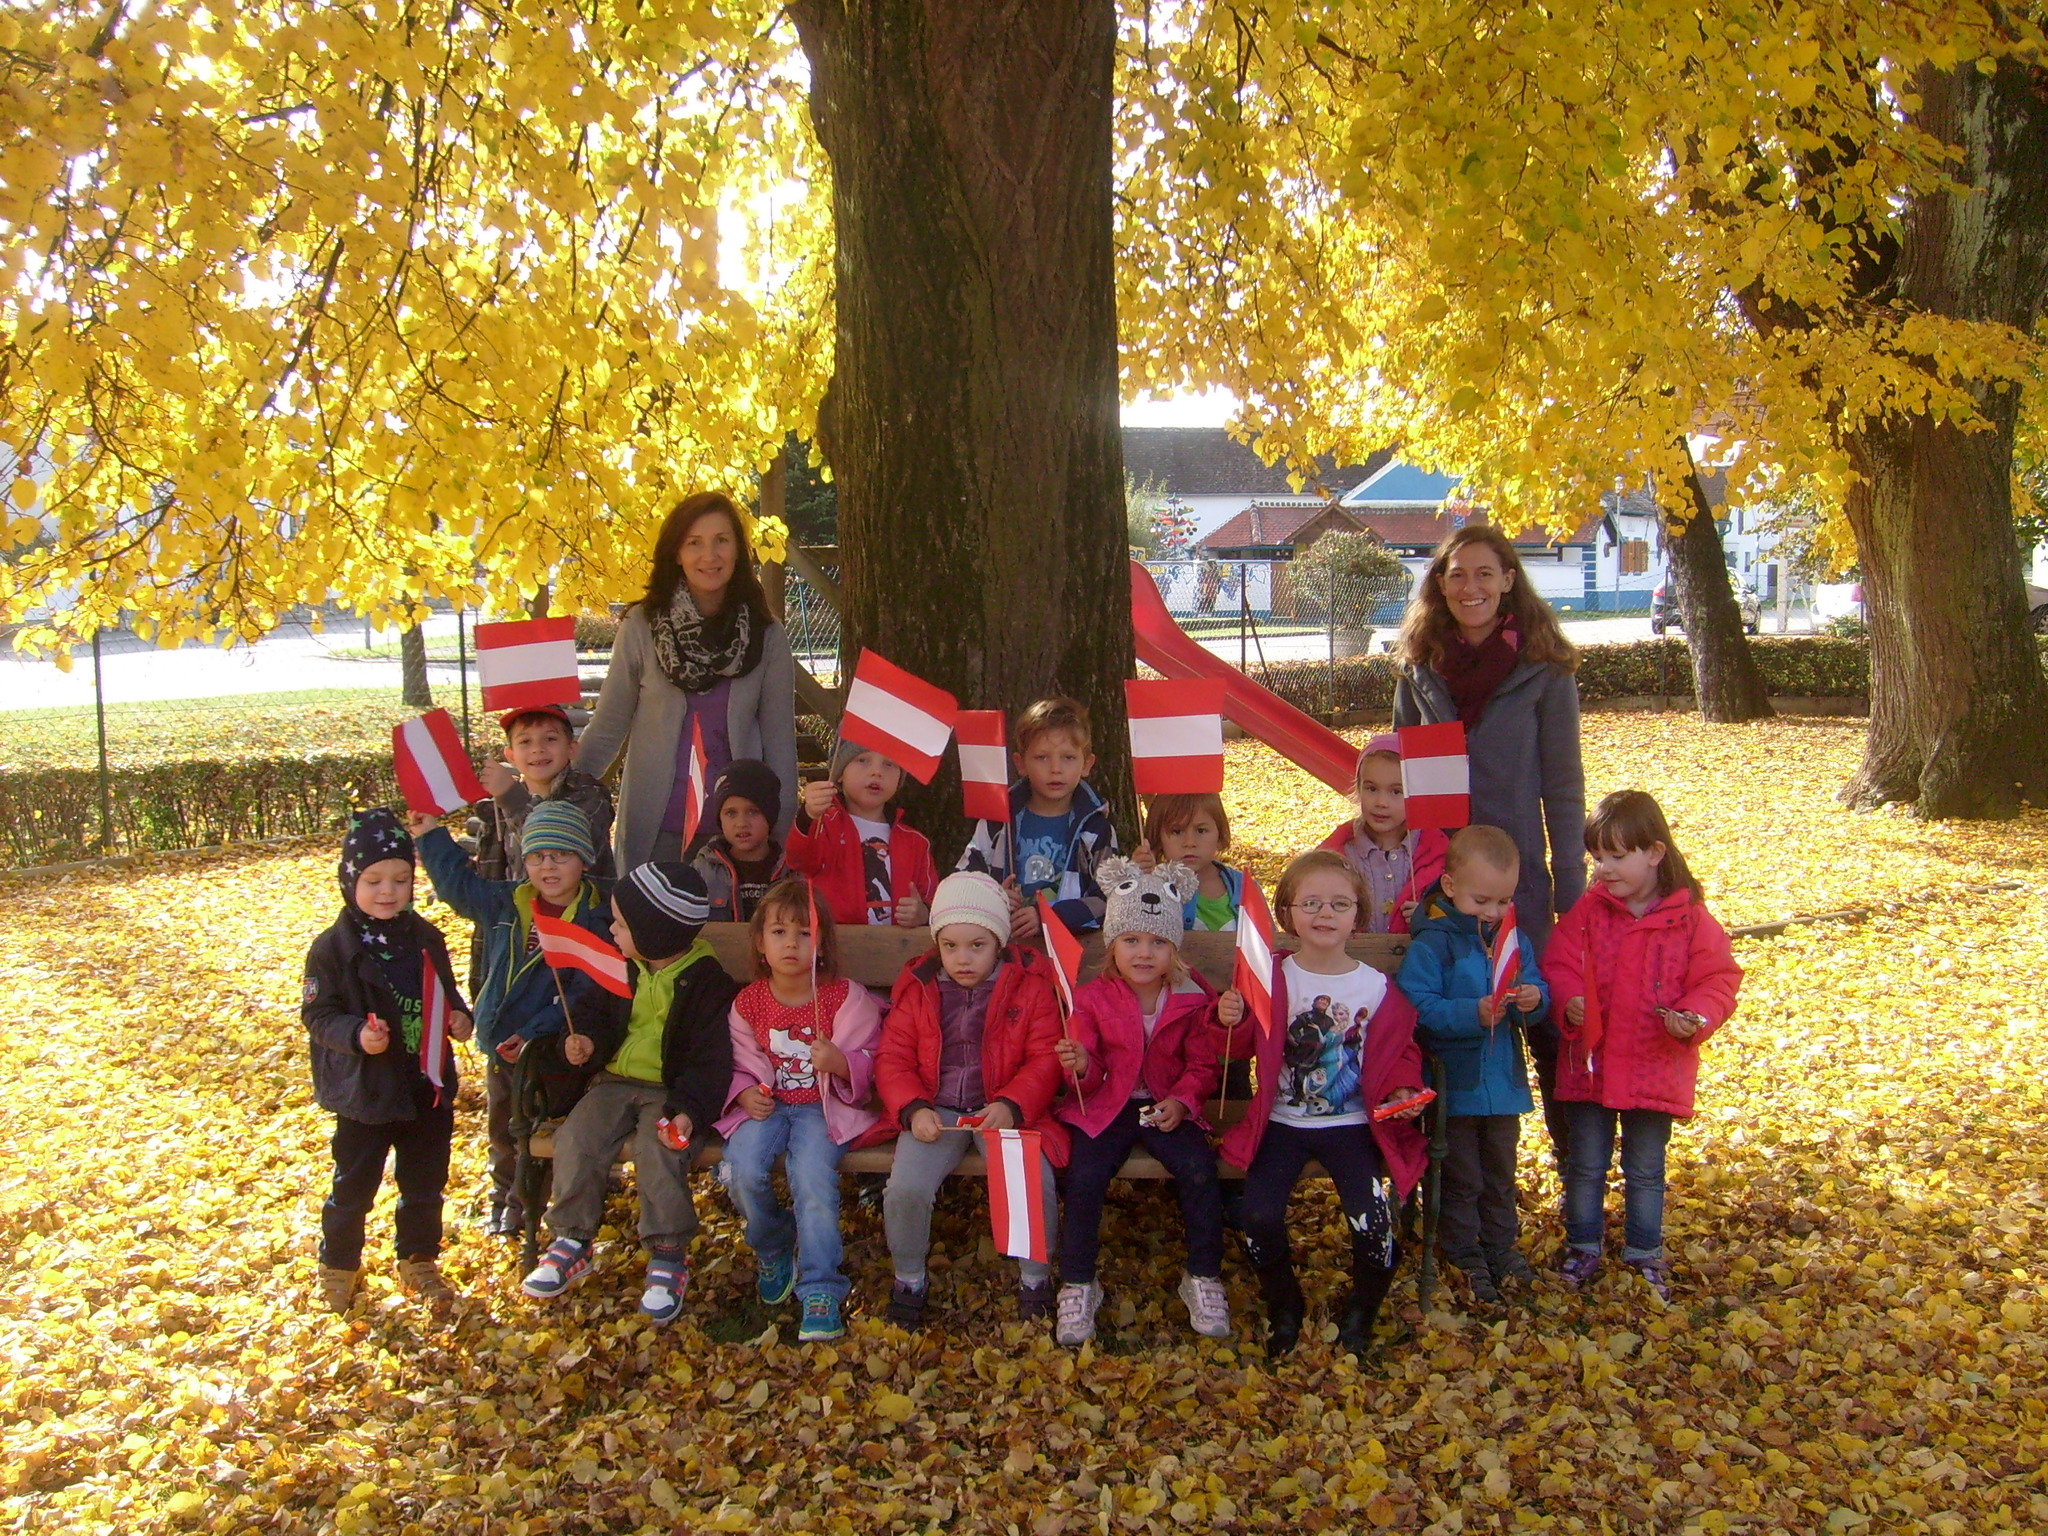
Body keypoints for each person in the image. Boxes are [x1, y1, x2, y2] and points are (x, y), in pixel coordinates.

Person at [1392, 523, 1584, 1166]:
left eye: (1483, 573)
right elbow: (1402, 779)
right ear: (1439, 586)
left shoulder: (1544, 669)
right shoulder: (1418, 669)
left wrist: (1569, 888)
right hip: (1443, 883)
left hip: (1517, 881)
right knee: (1449, 1022)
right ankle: (1454, 1184)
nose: (1469, 587)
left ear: (1507, 580)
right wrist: (1410, 876)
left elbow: (1564, 787)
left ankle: (1576, 1175)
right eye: (1456, 575)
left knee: (1544, 1025)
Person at [1219, 850, 1429, 1358]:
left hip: (1351, 1124)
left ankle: (1361, 1311)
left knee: (1373, 1222)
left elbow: (1399, 1050)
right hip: (1282, 1122)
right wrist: (1229, 1017)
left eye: (1339, 904)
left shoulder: (1374, 987)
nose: (1325, 913)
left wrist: (1402, 1090)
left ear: (1359, 915)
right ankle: (1284, 1304)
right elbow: (1237, 1045)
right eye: (1310, 903)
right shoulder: (1271, 978)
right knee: (1258, 1217)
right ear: (1288, 913)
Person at [1543, 791, 1742, 1300]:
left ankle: (1644, 1251)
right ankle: (1582, 1244)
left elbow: (1718, 978)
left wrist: (1694, 1017)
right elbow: (1559, 963)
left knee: (1646, 1168)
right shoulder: (1589, 911)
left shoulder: (1690, 919)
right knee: (1585, 1163)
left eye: (1616, 856)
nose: (1604, 868)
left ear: (1654, 853)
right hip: (1591, 1066)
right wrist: (1569, 1000)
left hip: (1655, 1066)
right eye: (1597, 857)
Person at [519, 863, 738, 1324]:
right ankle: (571, 1239)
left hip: (670, 1090)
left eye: (621, 923)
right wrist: (582, 1044)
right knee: (577, 1137)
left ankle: (668, 1254)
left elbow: (711, 1060)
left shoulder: (706, 983)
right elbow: (592, 1016)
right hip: (614, 1081)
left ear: (655, 933)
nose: (612, 930)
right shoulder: (619, 967)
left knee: (658, 1147)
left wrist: (689, 1110)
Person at [1050, 858, 1235, 1345]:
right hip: (1107, 1106)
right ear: (1113, 945)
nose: (1144, 953)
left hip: (1165, 1106)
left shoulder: (1192, 997)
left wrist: (1183, 1102)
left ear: (1174, 948)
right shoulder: (1092, 998)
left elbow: (1202, 1065)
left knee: (1199, 1170)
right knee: (1085, 1176)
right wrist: (1081, 1065)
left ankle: (1202, 1275)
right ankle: (1078, 1281)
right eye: (1131, 940)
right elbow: (1085, 1072)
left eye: (1157, 942)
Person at [412, 799, 613, 1237]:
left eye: (561, 855)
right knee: (504, 1130)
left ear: (583, 860)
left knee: (549, 1128)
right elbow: (459, 887)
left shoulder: (596, 916)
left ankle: (544, 1203)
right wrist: (430, 836)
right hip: (501, 1042)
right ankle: (505, 1200)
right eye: (537, 856)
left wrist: (534, 1034)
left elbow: (585, 992)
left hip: (555, 1047)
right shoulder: (508, 902)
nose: (548, 867)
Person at [876, 871, 1066, 1326]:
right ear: (938, 945)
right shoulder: (920, 988)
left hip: (1000, 1106)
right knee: (905, 1189)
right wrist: (913, 1108)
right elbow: (893, 1058)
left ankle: (1035, 1278)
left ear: (998, 942)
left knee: (1031, 1180)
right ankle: (909, 1278)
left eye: (976, 946)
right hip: (935, 1109)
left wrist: (1012, 1104)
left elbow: (1044, 1057)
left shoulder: (1028, 986)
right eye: (951, 946)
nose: (963, 958)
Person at [302, 809, 473, 1312]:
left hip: (426, 1086)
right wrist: (356, 1035)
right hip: (366, 1092)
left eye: (400, 880)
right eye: (374, 880)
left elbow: (446, 993)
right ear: (350, 880)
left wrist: (459, 1018)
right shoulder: (332, 949)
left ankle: (418, 1258)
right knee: (353, 1185)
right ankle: (338, 1265)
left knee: (425, 1183)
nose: (388, 892)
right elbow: (317, 1014)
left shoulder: (425, 938)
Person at [576, 491, 798, 873]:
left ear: (738, 551)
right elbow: (608, 726)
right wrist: (561, 798)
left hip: (741, 839)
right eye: (694, 543)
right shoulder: (642, 626)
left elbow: (780, 743)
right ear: (676, 553)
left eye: (721, 540)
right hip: (656, 831)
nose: (709, 555)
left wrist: (782, 832)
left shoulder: (767, 634)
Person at [714, 878, 883, 1342]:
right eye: (779, 932)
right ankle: (773, 1243)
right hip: (767, 1107)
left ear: (822, 943)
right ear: (760, 942)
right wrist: (743, 1092)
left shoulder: (843, 997)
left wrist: (842, 1063)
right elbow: (733, 1060)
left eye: (804, 933)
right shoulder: (749, 1003)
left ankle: (821, 1286)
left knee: (811, 1181)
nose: (791, 943)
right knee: (741, 1169)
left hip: (823, 1111)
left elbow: (876, 1054)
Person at [1397, 825, 1550, 1304]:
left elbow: (1536, 988)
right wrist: (1471, 1013)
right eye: (1481, 900)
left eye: (1503, 901)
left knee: (1500, 1175)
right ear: (1450, 886)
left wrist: (1534, 999)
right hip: (1455, 1087)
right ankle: (1463, 1253)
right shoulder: (1434, 942)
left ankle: (1501, 1248)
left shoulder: (1512, 939)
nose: (1493, 912)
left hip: (1503, 1085)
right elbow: (1416, 1008)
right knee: (1462, 1177)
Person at [957, 696, 1118, 937]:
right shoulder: (997, 822)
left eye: (1068, 757)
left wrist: (1050, 917)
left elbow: (1109, 899)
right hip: (1003, 945)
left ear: (1087, 764)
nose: (1055, 769)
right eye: (1042, 757)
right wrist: (992, 897)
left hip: (1072, 949)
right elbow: (961, 883)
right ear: (1021, 764)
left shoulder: (1095, 829)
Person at [786, 741, 937, 927]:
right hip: (833, 941)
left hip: (896, 944)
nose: (877, 772)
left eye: (889, 764)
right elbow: (799, 859)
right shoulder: (824, 826)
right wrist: (808, 815)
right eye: (863, 760)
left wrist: (923, 913)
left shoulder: (915, 842)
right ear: (840, 774)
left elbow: (933, 899)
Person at [1318, 735, 1449, 936]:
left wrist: (1431, 917)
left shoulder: (1437, 853)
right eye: (1372, 789)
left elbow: (1464, 912)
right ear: (1358, 788)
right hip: (1350, 954)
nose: (1381, 802)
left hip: (1417, 954)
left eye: (1396, 792)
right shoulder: (1336, 854)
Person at [474, 704, 617, 882]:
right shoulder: (498, 811)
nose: (538, 748)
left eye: (550, 739)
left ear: (571, 748)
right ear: (511, 756)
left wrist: (510, 796)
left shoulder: (590, 796)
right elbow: (486, 881)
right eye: (525, 741)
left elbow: (555, 845)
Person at [686, 758, 789, 923]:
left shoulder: (790, 870)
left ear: (770, 816)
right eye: (731, 813)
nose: (741, 823)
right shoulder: (703, 870)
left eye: (753, 812)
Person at [1132, 792, 1244, 931]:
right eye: (1176, 831)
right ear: (1159, 839)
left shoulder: (1244, 889)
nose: (1190, 842)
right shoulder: (1153, 889)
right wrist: (1138, 881)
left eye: (1201, 831)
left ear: (1220, 836)